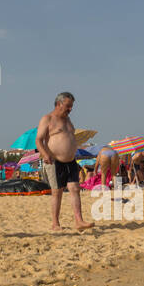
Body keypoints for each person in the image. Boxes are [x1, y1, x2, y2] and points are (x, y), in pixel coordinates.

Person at [37, 92, 92, 231]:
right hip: (54, 161)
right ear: (59, 104)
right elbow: (39, 140)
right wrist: (44, 154)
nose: (70, 109)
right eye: (68, 106)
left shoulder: (68, 121)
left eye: (71, 106)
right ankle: (55, 223)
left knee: (75, 189)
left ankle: (79, 221)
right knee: (57, 191)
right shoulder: (48, 119)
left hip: (71, 160)